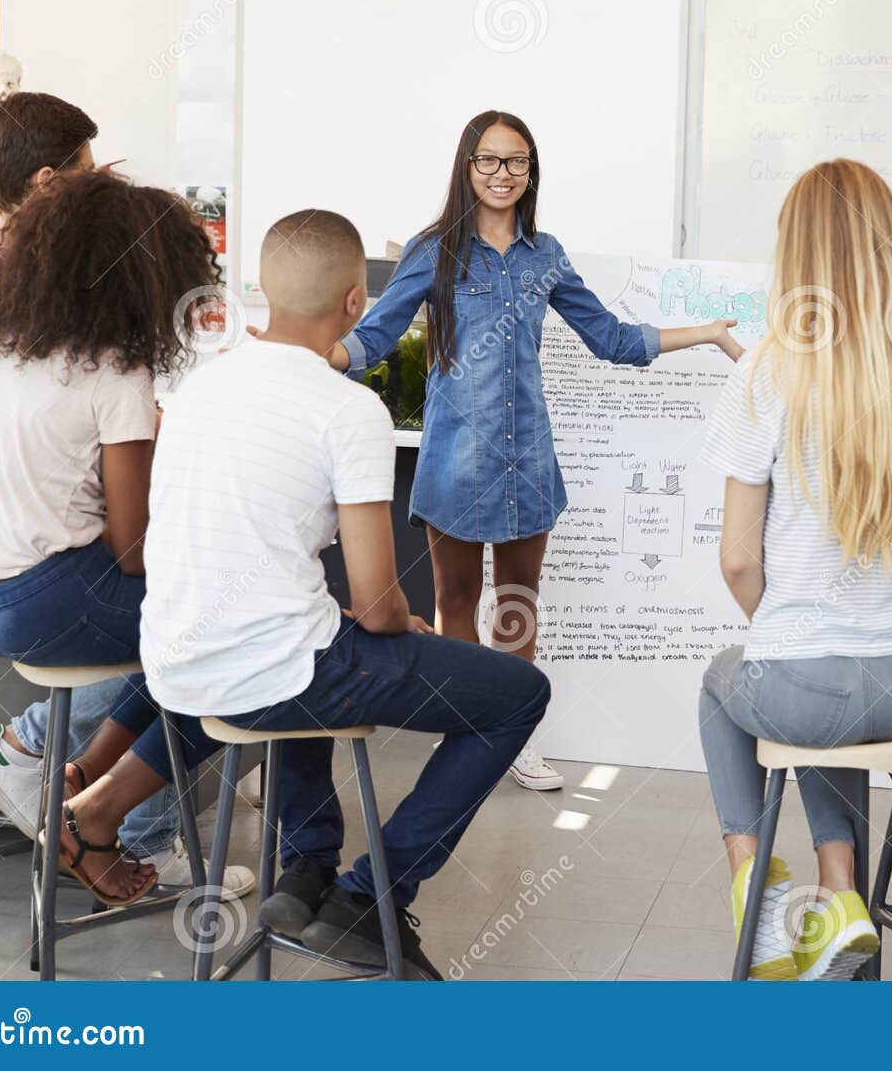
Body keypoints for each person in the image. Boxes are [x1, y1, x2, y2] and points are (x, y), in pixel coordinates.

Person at [47, 209, 552, 979]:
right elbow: (382, 602)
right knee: (516, 694)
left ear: (263, 293)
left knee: (315, 632)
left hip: (175, 666)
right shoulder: (350, 410)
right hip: (267, 673)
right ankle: (370, 897)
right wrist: (398, 622)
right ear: (357, 302)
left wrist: (358, 619)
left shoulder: (196, 388)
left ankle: (306, 868)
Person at [330, 110, 742, 791]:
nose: (502, 174)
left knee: (519, 600)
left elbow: (609, 338)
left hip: (529, 466)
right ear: (468, 166)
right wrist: (315, 352)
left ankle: (512, 737)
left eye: (516, 161)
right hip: (455, 462)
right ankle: (465, 734)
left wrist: (705, 333)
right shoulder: (434, 250)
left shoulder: (545, 255)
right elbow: (376, 336)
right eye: (489, 161)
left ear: (531, 172)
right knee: (455, 597)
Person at [696, 159, 892, 980]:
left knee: (743, 681)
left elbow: (738, 557)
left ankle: (754, 896)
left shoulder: (769, 370)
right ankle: (838, 899)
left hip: (813, 682)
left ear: (798, 251)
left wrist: (786, 633)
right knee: (828, 688)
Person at [0, 157, 249, 896]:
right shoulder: (117, 372)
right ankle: (87, 800)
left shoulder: (6, 352)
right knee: (236, 647)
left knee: (185, 637)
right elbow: (132, 549)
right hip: (50, 599)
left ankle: (77, 780)